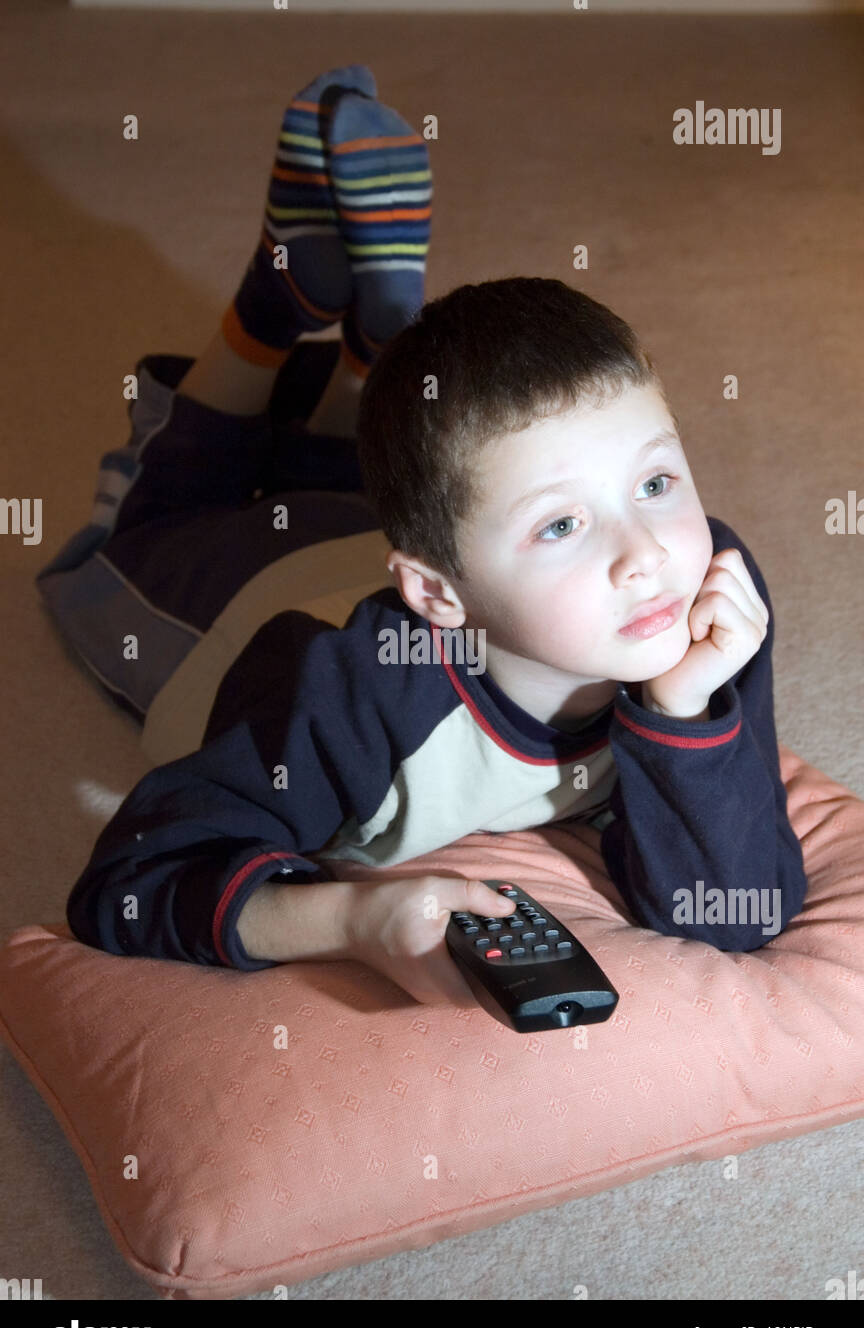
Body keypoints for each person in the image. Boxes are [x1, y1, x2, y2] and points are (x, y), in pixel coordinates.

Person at [36, 65, 807, 1008]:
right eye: (563, 524)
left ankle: (388, 345)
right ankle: (271, 309)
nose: (647, 552)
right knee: (130, 532)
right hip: (241, 587)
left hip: (424, 536)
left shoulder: (702, 597)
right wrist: (348, 922)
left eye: (655, 481)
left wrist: (684, 709)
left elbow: (738, 911)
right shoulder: (349, 693)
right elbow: (127, 882)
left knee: (452, 459)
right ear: (436, 599)